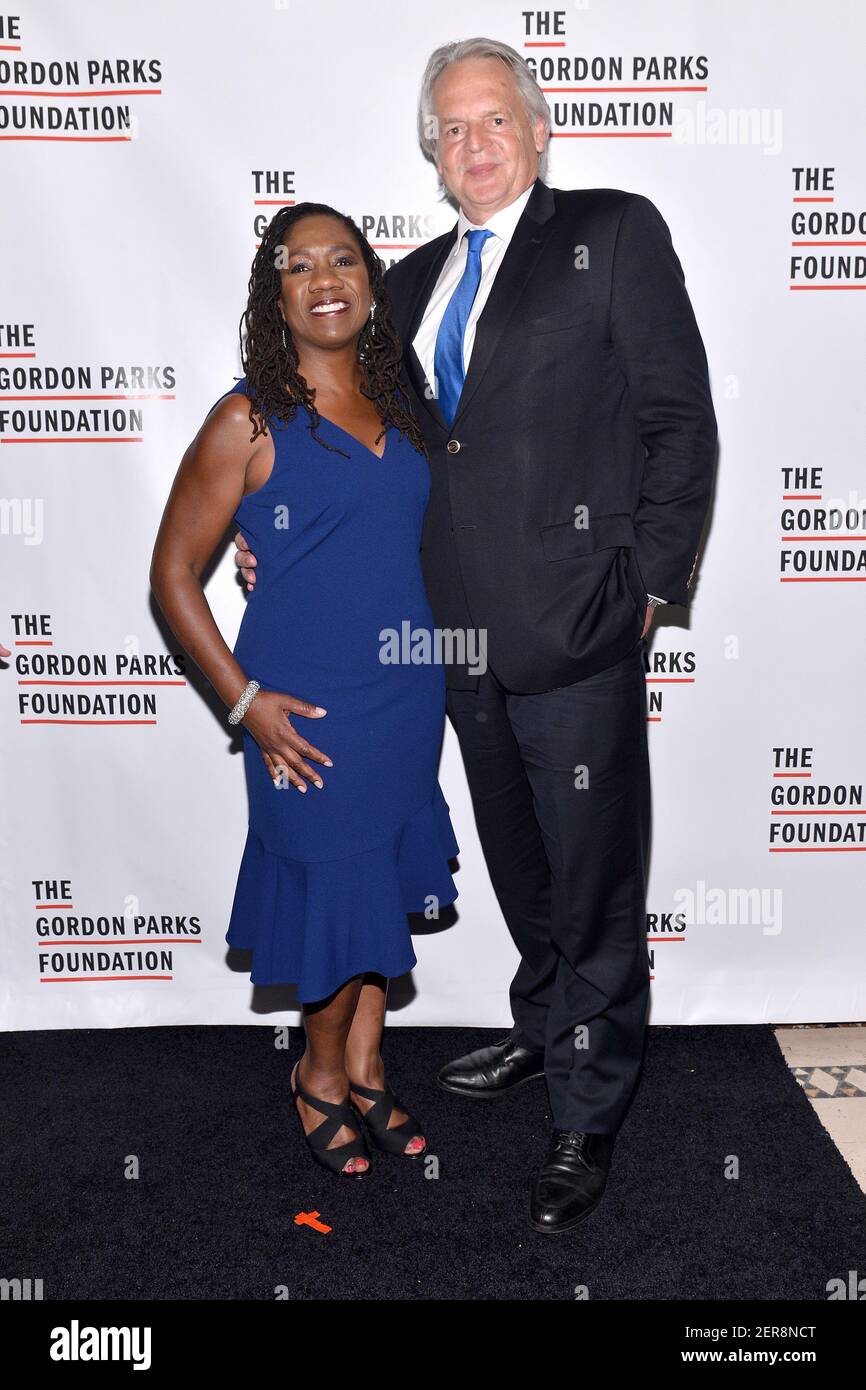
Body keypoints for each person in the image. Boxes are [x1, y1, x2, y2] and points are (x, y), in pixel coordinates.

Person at [235, 37, 718, 1231]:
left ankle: (586, 1106)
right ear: (432, 155)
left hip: (579, 629)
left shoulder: (613, 233)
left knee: (595, 876)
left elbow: (677, 421)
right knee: (521, 865)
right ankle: (546, 1029)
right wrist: (267, 532)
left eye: (492, 120)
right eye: (450, 130)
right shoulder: (403, 283)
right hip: (446, 646)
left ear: (537, 129)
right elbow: (359, 444)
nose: (473, 144)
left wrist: (646, 592)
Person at [150, 203, 459, 1178]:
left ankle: (366, 1063)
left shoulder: (403, 400)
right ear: (272, 294)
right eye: (299, 266)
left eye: (343, 260)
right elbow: (169, 576)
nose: (324, 279)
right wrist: (246, 705)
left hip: (404, 702)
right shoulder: (246, 418)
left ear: (369, 282)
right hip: (303, 712)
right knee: (332, 896)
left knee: (377, 891)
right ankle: (316, 1077)